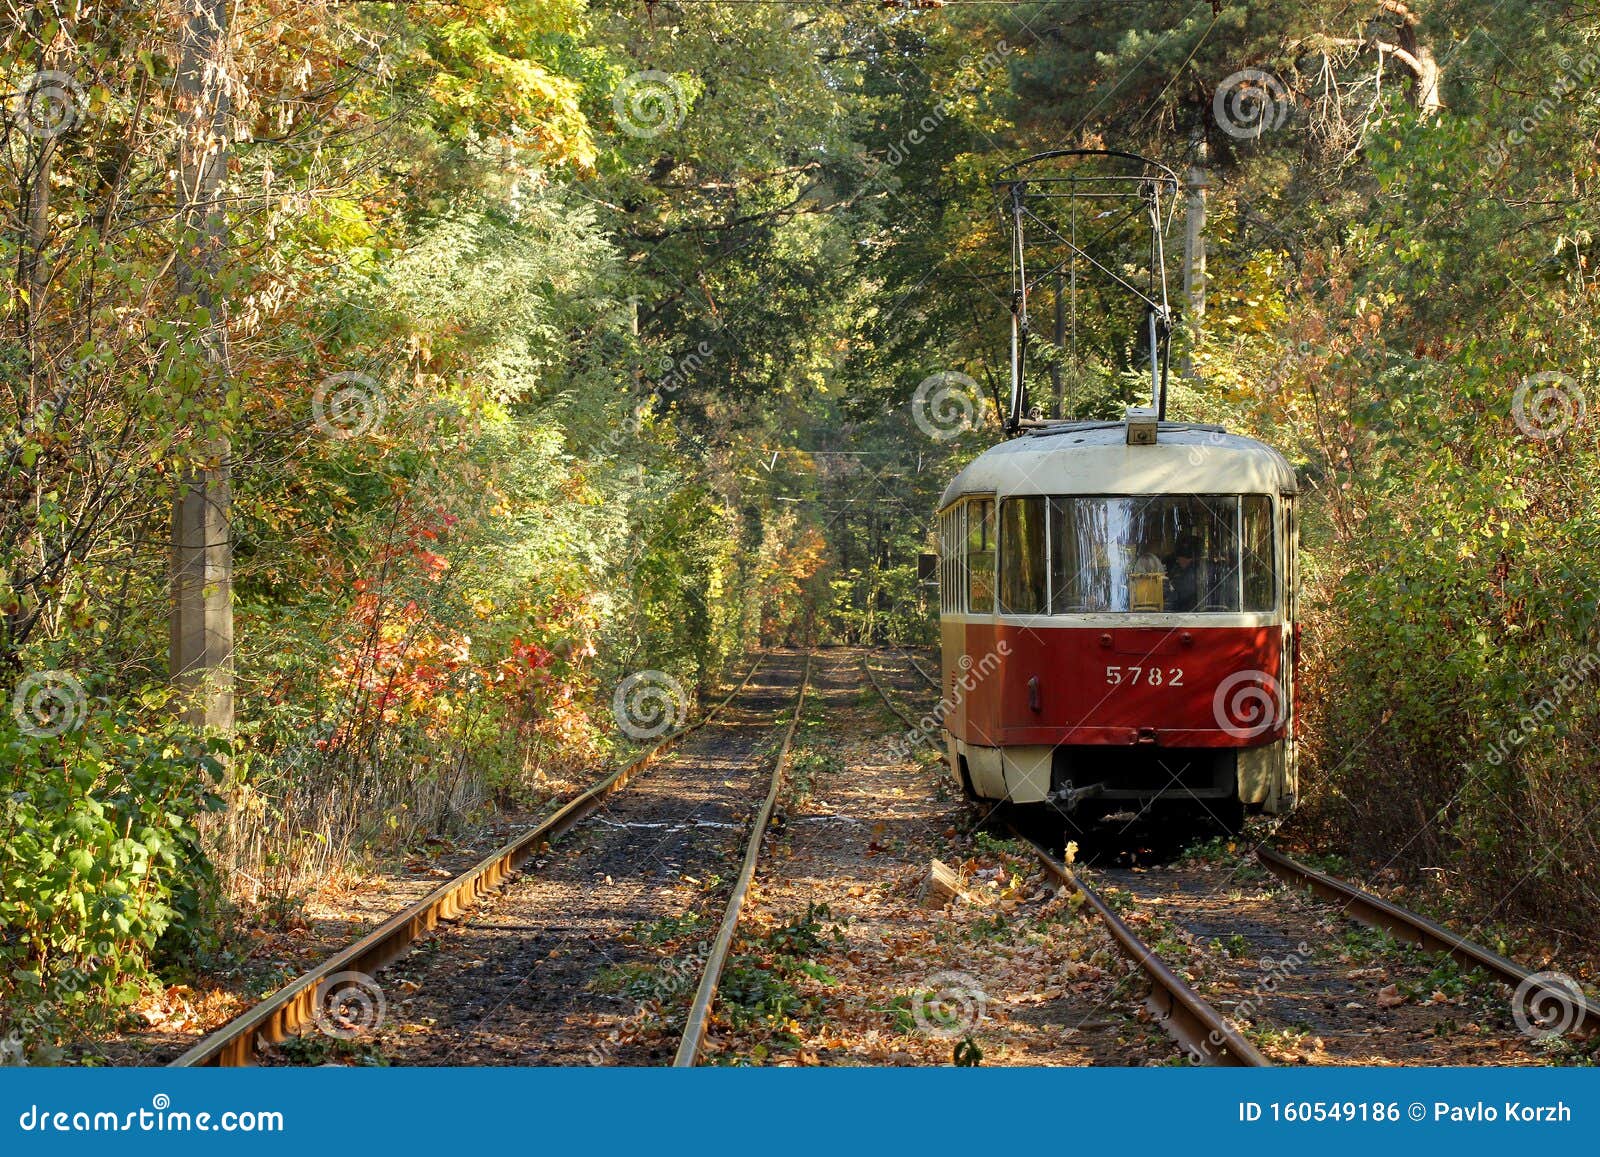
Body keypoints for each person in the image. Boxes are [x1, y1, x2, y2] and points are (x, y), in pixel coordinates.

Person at [1166, 535, 1200, 611]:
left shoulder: (1193, 571)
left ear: (1188, 559)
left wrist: (1172, 588)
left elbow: (1185, 593)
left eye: (1179, 558)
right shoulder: (1179, 568)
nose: (1178, 561)